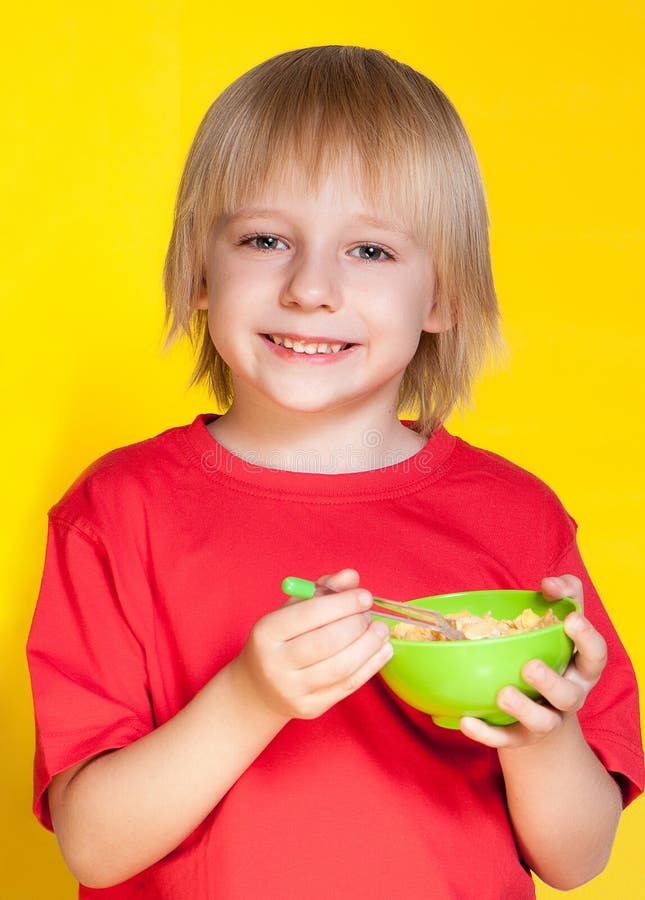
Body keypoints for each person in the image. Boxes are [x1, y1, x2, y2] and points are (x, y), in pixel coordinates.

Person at [27, 46, 643, 899]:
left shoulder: (516, 518)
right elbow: (92, 849)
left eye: (371, 252)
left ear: (441, 298)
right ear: (201, 269)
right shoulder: (117, 512)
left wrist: (541, 736)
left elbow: (578, 860)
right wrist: (249, 699)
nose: (310, 288)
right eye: (265, 239)